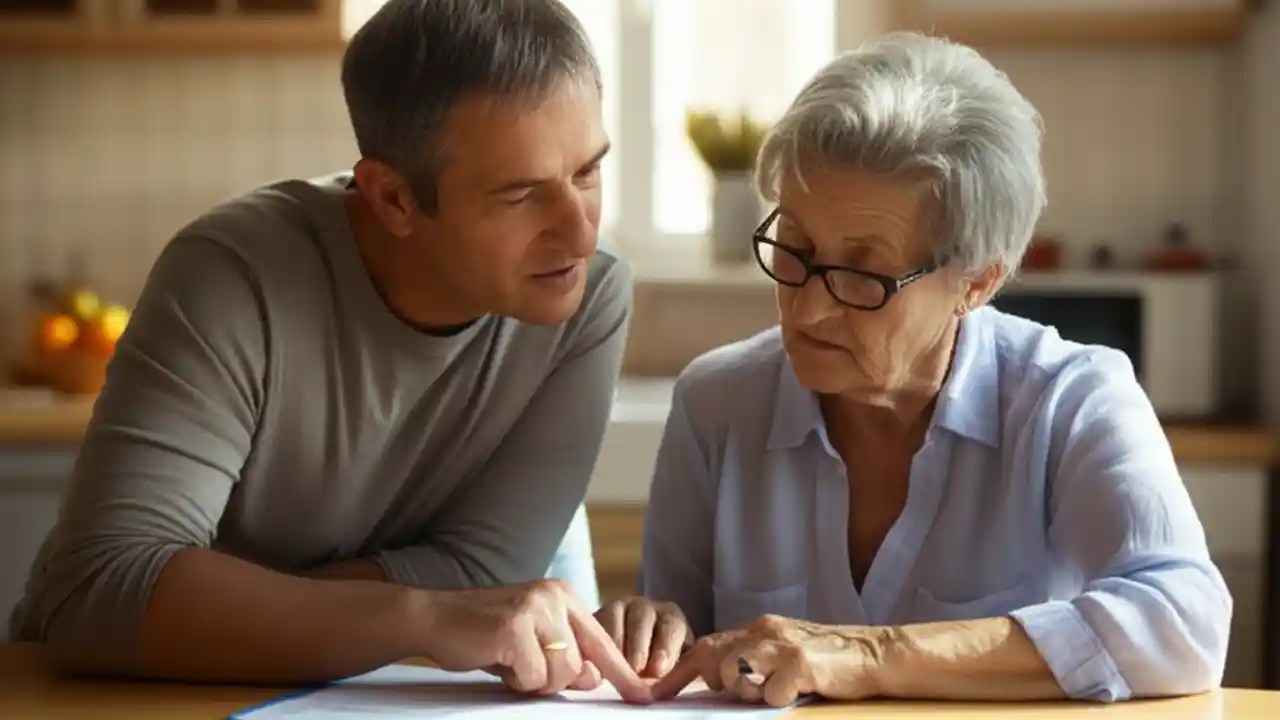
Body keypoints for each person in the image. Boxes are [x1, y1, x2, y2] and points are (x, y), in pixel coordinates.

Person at [10, 0, 651, 703]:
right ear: (394, 198)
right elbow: (104, 592)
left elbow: (485, 573)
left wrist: (208, 598)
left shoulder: (587, 294)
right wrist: (422, 612)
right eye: (522, 196)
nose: (580, 233)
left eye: (588, 173)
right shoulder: (232, 275)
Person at [598, 32, 1232, 707]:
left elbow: (1183, 623)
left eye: (863, 274)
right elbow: (685, 648)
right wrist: (655, 628)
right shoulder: (716, 403)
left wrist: (866, 655)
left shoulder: (1071, 399)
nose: (809, 310)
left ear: (976, 283)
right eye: (794, 249)